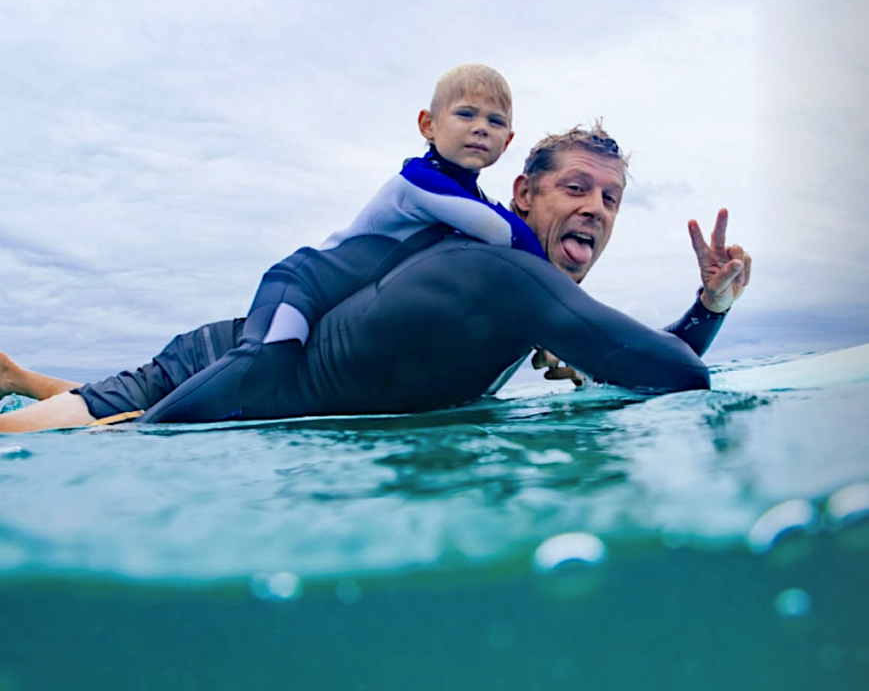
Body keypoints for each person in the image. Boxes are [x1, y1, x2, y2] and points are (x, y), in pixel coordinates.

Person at [0, 122, 750, 433]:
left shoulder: (526, 302)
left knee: (73, 409)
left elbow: (639, 362)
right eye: (574, 188)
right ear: (521, 197)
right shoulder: (497, 276)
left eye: (609, 198)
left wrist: (707, 304)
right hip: (213, 369)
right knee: (50, 436)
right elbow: (670, 373)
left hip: (227, 368)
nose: (593, 209)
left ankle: (22, 373)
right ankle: (32, 392)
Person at [137, 64, 545, 424]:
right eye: (465, 113)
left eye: (495, 121)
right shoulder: (418, 182)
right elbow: (506, 238)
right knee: (266, 360)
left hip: (332, 315)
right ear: (428, 125)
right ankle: (141, 430)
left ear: (507, 141)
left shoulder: (480, 203)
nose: (481, 128)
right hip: (299, 285)